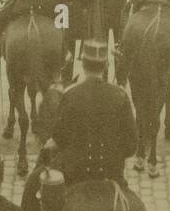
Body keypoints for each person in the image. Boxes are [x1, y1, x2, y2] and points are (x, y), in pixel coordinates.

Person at [48, 39, 137, 185]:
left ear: (82, 64)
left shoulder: (70, 95)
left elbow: (59, 138)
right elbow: (131, 146)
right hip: (112, 176)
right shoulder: (120, 96)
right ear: (106, 65)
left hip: (75, 177)